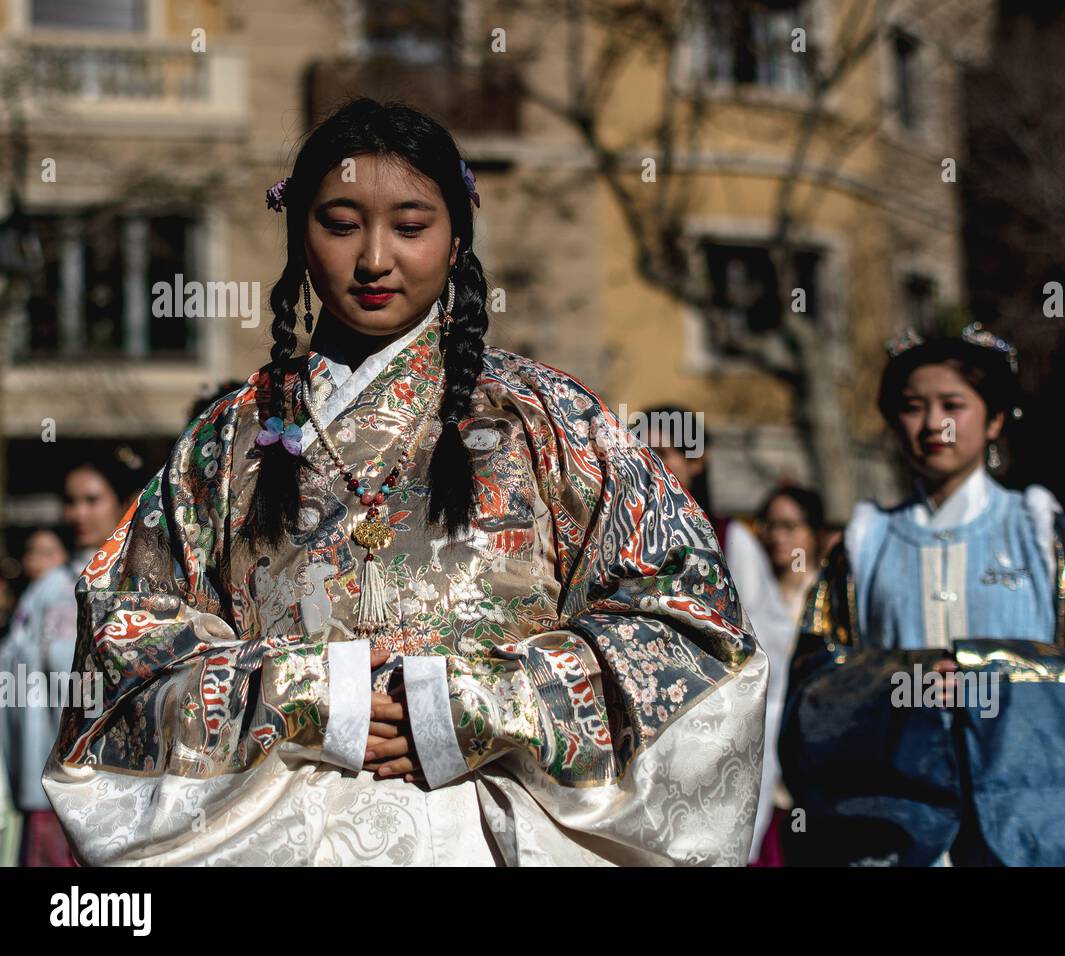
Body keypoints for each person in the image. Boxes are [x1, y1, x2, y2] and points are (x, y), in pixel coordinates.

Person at [41, 99, 765, 866]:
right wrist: (313, 697)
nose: (375, 259)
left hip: (486, 835)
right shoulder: (229, 441)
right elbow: (126, 656)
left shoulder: (553, 421)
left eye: (411, 227)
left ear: (457, 241)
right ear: (298, 234)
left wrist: (476, 710)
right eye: (341, 224)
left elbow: (692, 627)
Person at [779, 325, 1065, 866]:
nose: (934, 422)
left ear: (995, 420)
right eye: (913, 406)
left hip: (1034, 827)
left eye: (953, 404)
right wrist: (902, 680)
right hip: (900, 831)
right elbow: (814, 683)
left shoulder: (1045, 535)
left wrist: (994, 673)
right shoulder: (864, 545)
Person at [0, 455, 140, 866]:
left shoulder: (134, 581)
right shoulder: (47, 589)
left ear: (122, 502)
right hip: (48, 777)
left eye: (92, 500)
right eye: (71, 501)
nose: (78, 513)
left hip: (117, 785)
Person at [730, 485, 826, 865]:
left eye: (789, 526)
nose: (777, 537)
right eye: (768, 526)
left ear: (813, 532)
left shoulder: (826, 596)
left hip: (811, 756)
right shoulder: (751, 593)